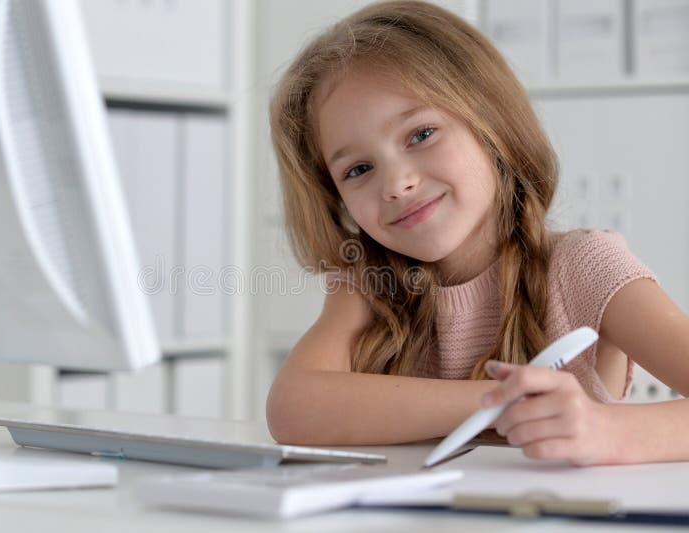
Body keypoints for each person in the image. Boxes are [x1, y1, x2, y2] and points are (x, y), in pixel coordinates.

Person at [266, 0, 689, 466]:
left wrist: (607, 430)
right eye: (359, 168)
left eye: (421, 134)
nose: (396, 184)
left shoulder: (585, 266)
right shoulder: (370, 285)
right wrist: (504, 401)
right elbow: (292, 408)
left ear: (493, 125)